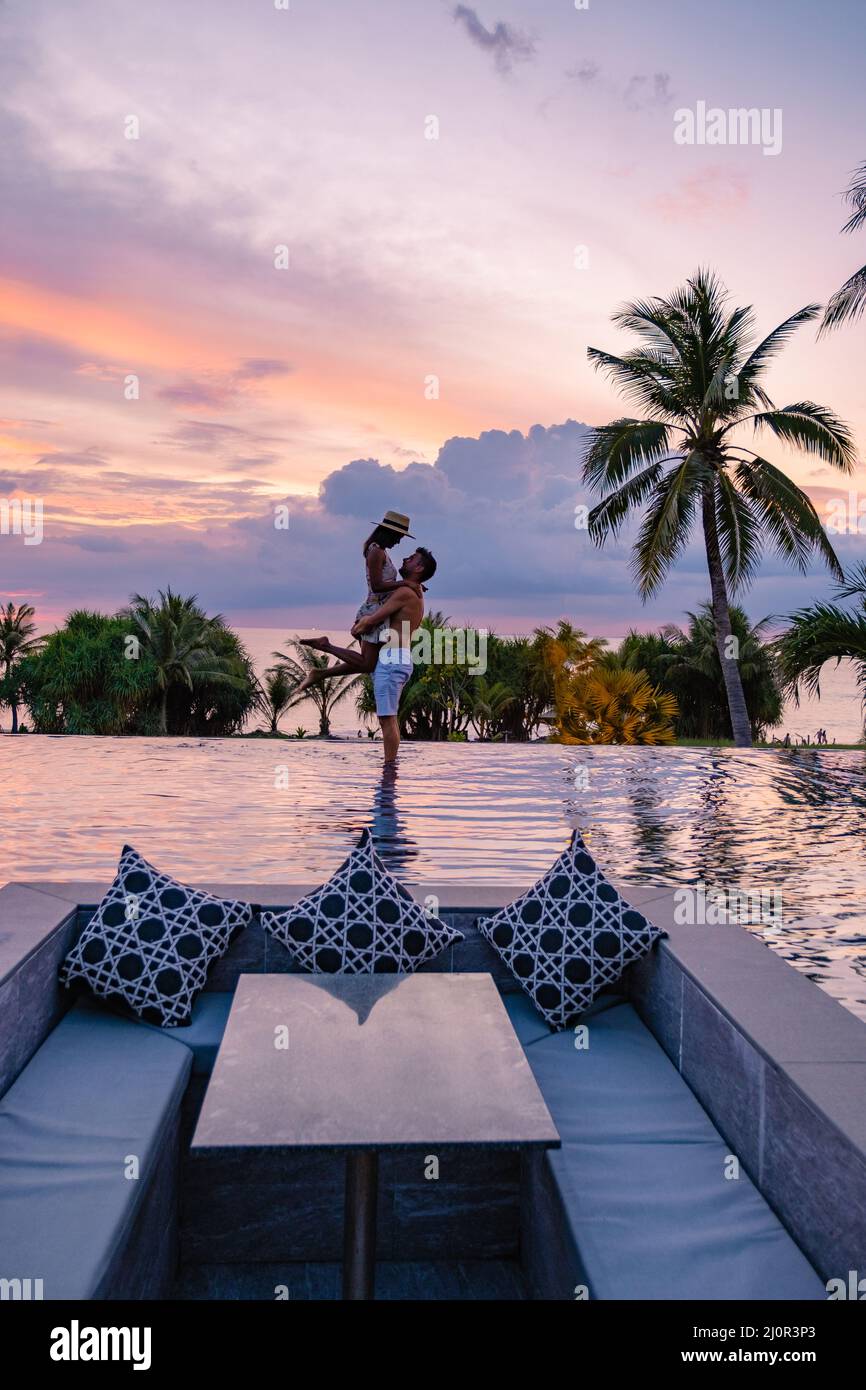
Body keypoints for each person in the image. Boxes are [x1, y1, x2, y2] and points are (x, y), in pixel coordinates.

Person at [297, 511, 421, 691]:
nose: (399, 541)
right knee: (367, 664)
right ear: (389, 533)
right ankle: (326, 646)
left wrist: (409, 586)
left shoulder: (380, 551)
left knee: (368, 663)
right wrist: (407, 583)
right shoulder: (376, 551)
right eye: (399, 537)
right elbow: (377, 586)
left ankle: (321, 673)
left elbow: (386, 584)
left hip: (378, 610)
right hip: (373, 611)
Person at [352, 547, 437, 761]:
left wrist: (359, 626)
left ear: (418, 568)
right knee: (388, 719)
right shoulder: (412, 590)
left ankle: (389, 770)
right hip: (396, 657)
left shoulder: (406, 593)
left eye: (412, 558)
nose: (406, 559)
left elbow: (372, 620)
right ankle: (390, 766)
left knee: (387, 720)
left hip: (392, 659)